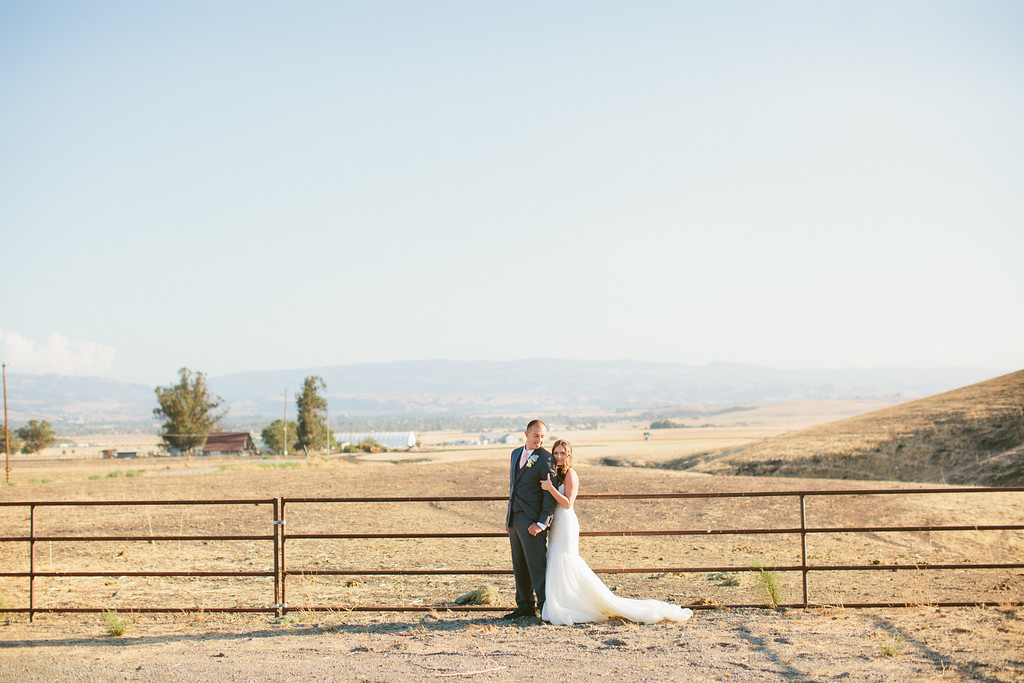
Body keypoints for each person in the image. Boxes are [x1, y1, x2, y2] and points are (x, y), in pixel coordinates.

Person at [540, 439, 693, 626]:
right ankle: (565, 602)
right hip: (556, 524)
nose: (558, 457)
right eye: (556, 453)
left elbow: (568, 503)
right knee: (556, 559)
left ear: (569, 455)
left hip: (565, 522)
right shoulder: (555, 474)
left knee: (567, 560)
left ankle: (580, 603)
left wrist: (551, 489)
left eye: (562, 453)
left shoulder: (571, 474)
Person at [503, 419, 557, 619]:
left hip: (533, 521)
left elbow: (549, 496)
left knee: (537, 566)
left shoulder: (546, 459)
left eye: (542, 437)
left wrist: (542, 523)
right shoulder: (515, 454)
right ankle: (525, 606)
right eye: (536, 436)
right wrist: (508, 518)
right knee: (519, 565)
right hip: (515, 519)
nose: (539, 440)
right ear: (526, 434)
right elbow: (513, 487)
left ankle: (545, 609)